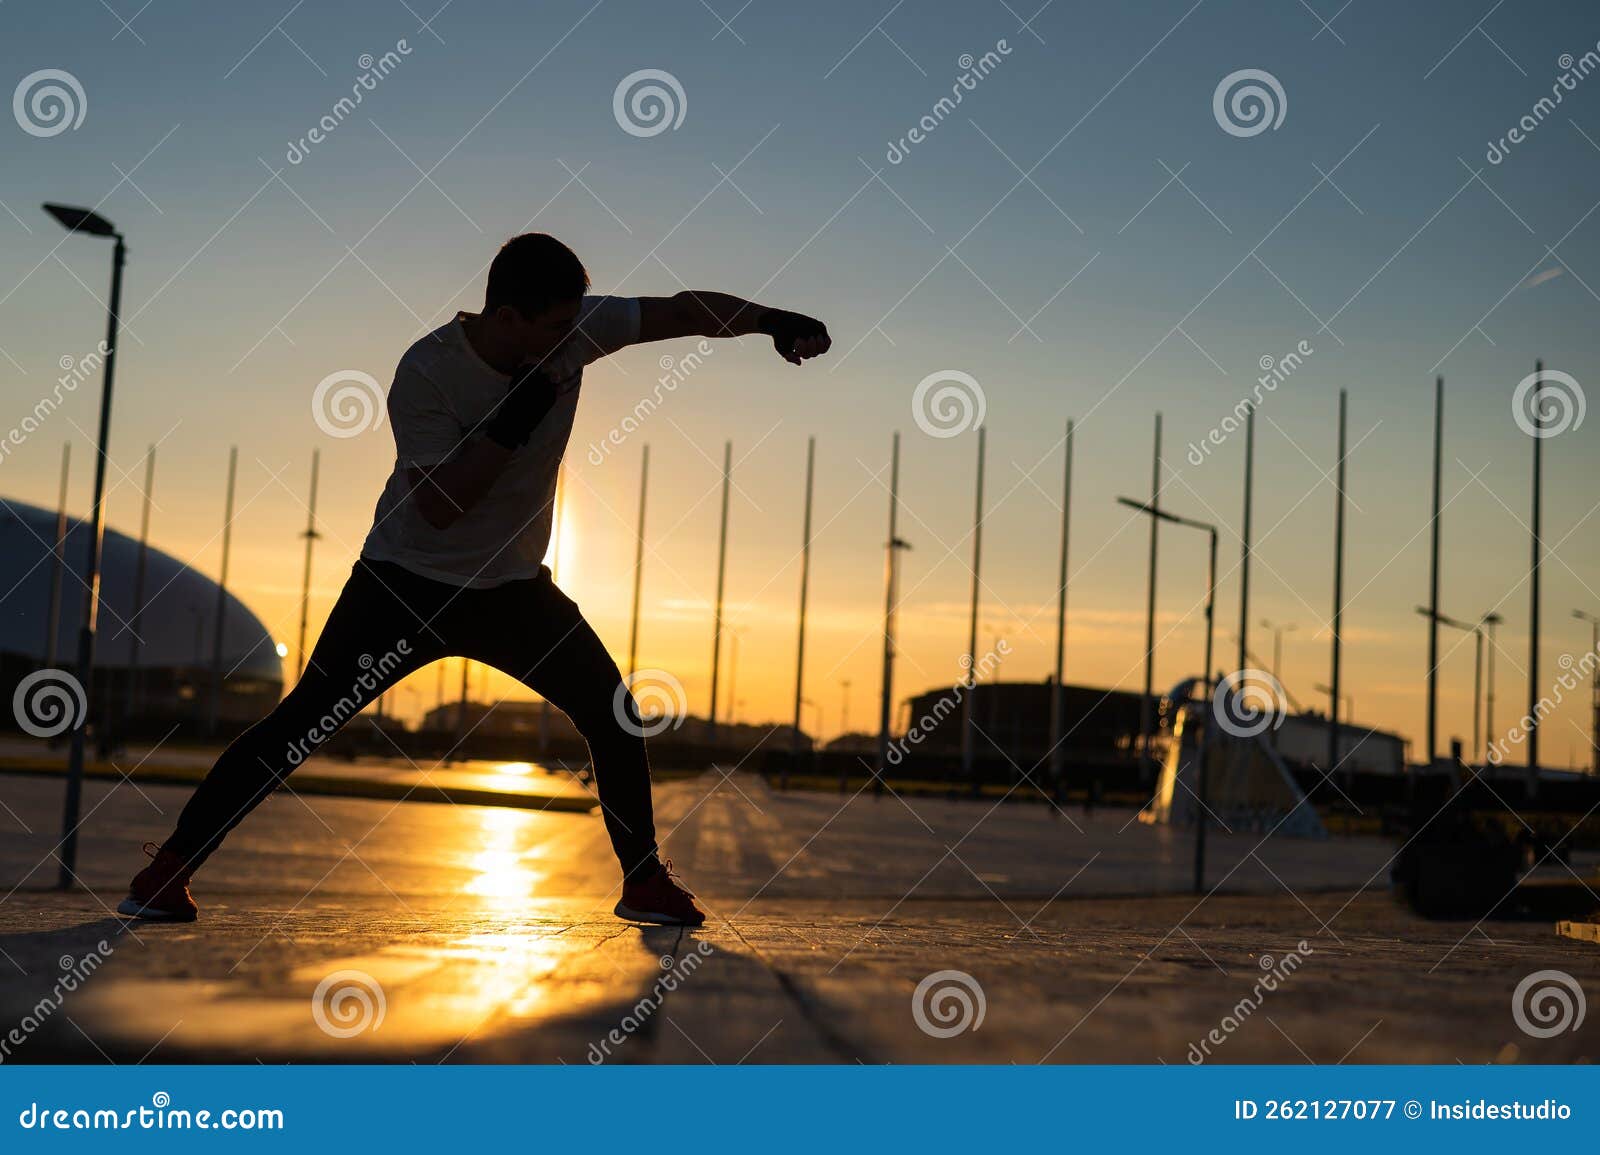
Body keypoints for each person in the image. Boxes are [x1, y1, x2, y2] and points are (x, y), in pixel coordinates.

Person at [119, 232, 830, 927]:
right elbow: (439, 507)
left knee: (613, 713)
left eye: (572, 324)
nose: (568, 340)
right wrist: (513, 422)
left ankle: (643, 881)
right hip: (405, 585)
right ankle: (168, 870)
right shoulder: (426, 371)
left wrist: (770, 319)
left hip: (512, 592)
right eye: (553, 328)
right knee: (301, 723)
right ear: (506, 316)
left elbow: (680, 312)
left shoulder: (572, 330)